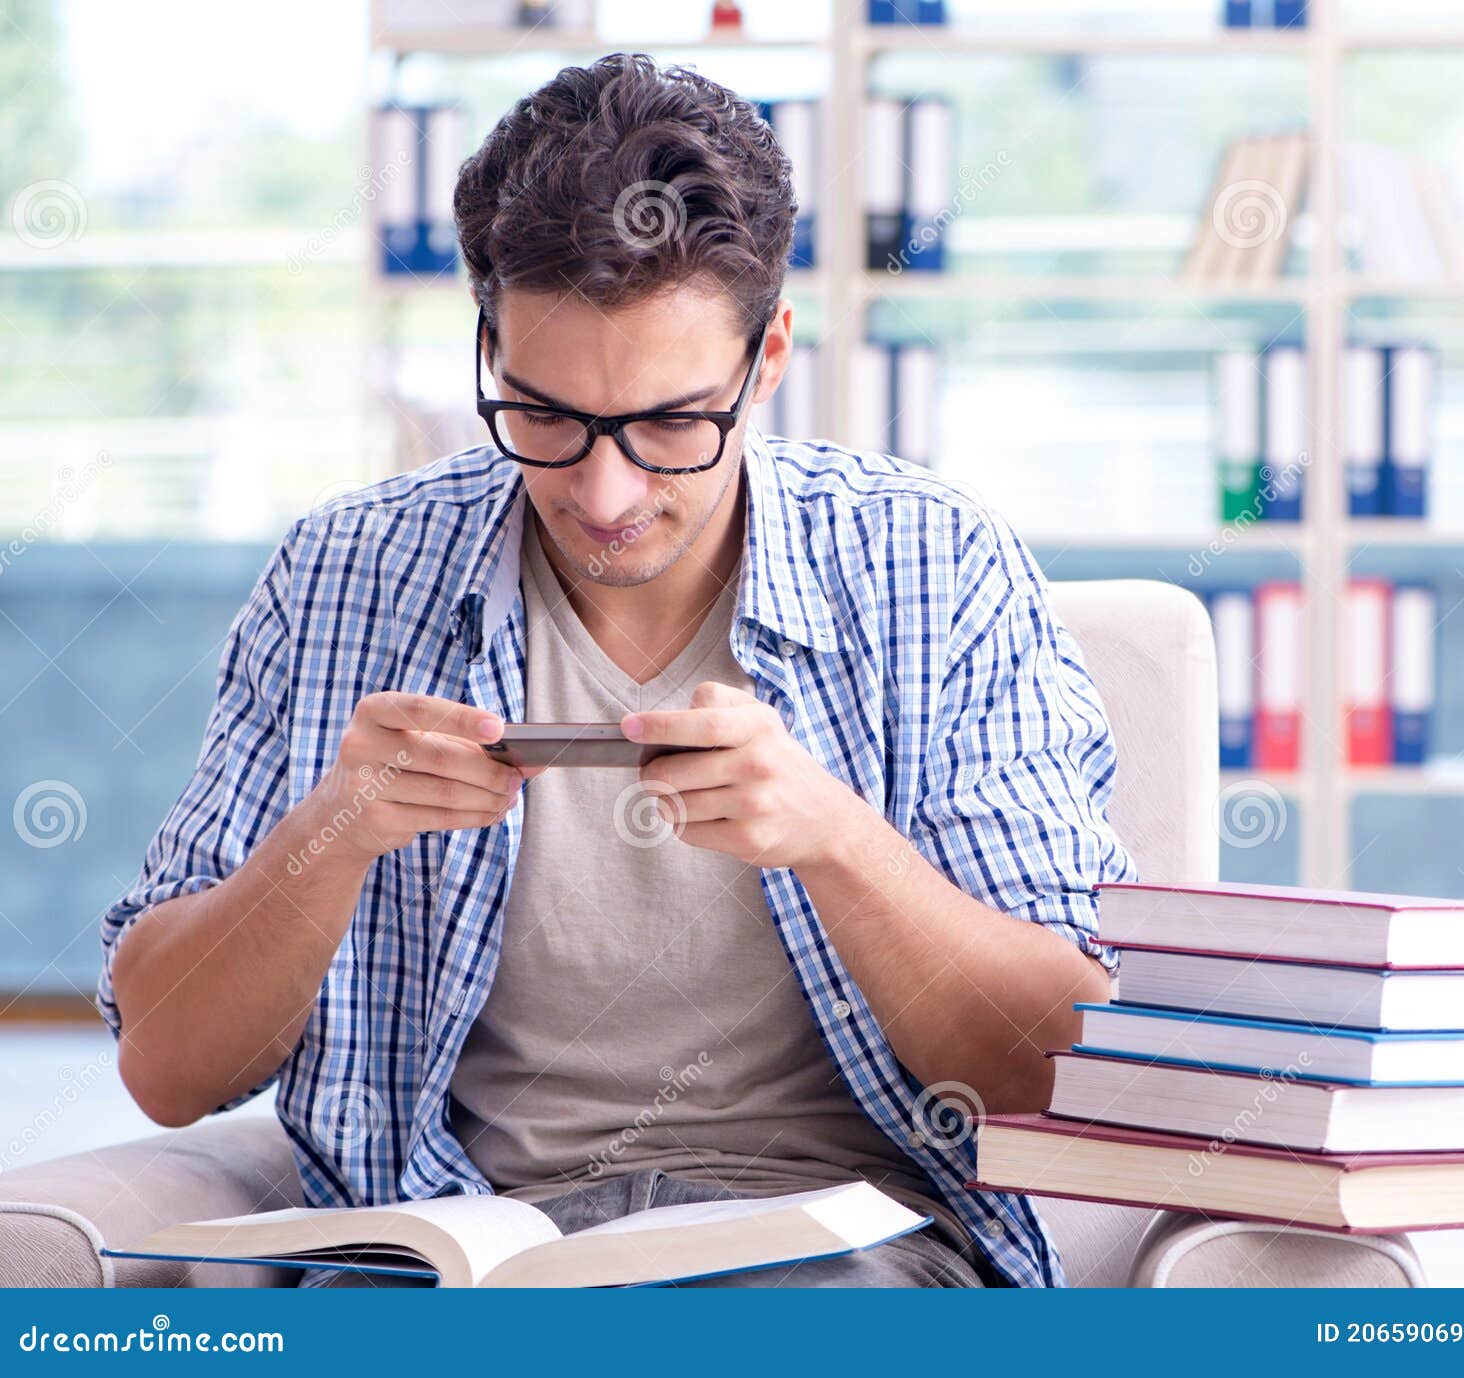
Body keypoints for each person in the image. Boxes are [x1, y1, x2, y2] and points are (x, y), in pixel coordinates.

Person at [97, 53, 1134, 1289]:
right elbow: (168, 1068)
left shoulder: (934, 565)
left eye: (668, 424)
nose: (604, 493)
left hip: (843, 1256)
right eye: (543, 415)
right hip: (465, 1252)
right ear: (487, 347)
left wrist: (838, 843)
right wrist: (331, 836)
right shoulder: (345, 573)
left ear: (769, 357)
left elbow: (1065, 1067)